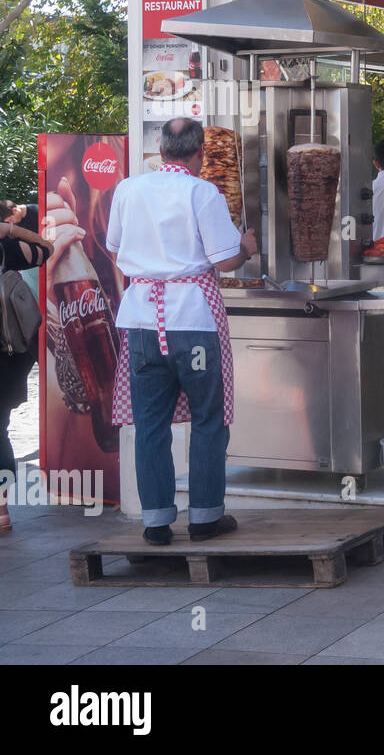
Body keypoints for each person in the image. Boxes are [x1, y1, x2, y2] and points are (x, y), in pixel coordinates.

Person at [106, 118, 259, 545]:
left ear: (160, 147)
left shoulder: (128, 189)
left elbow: (115, 249)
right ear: (200, 154)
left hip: (140, 323)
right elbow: (226, 260)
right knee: (208, 419)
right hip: (192, 323)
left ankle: (155, 522)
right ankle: (205, 518)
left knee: (150, 423)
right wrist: (246, 247)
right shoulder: (202, 191)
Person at [0, 200, 52, 532]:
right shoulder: (7, 245)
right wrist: (11, 230)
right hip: (7, 352)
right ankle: (1, 509)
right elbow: (45, 247)